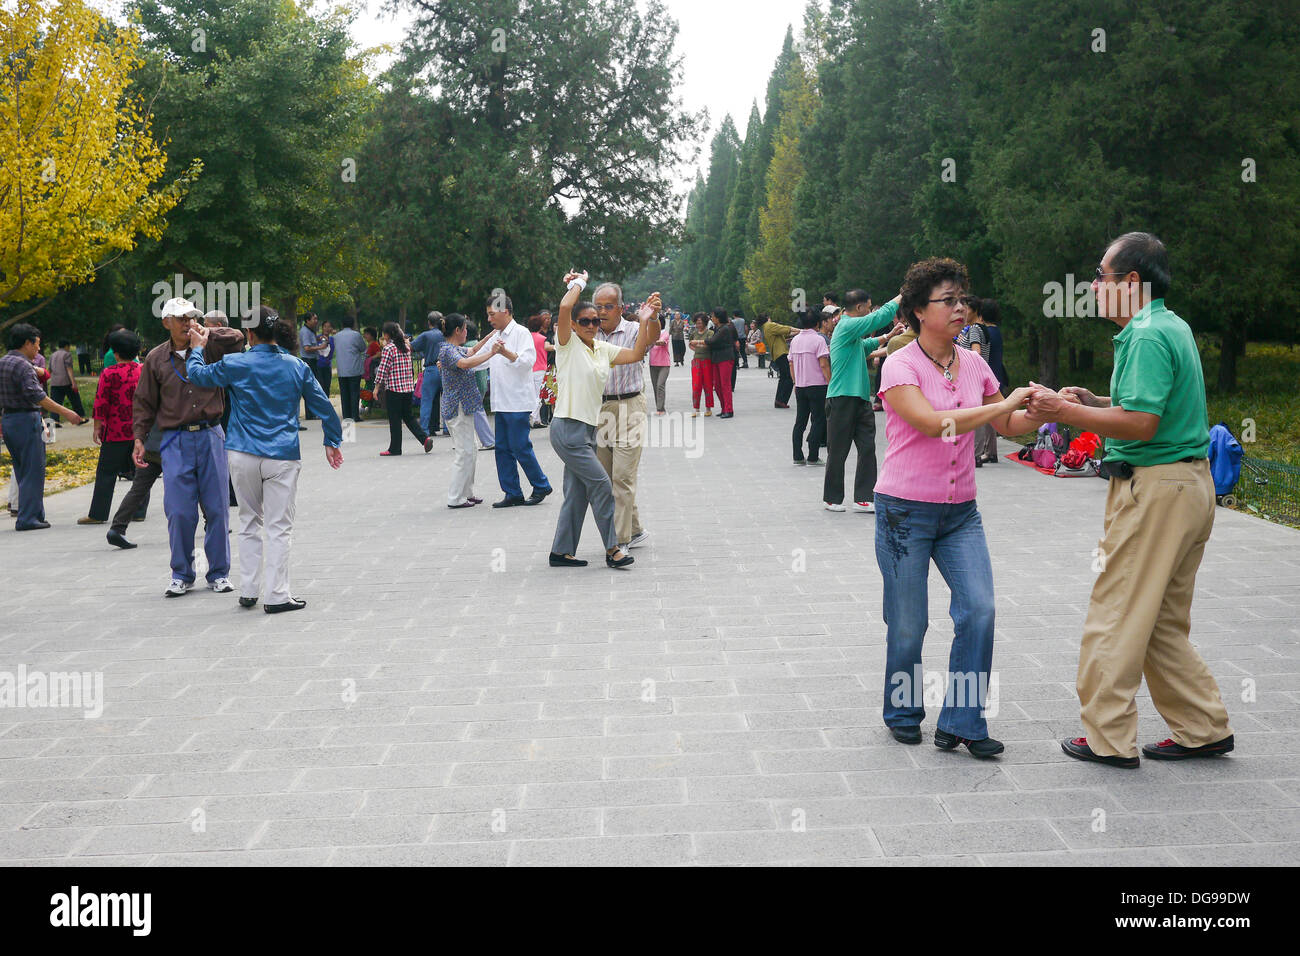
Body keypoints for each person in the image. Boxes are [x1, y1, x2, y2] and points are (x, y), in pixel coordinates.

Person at [1026, 232, 1234, 768]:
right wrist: (1095, 401)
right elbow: (1143, 408)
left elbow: (1141, 424)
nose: (1094, 285)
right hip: (1188, 488)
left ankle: (1107, 738)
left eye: (1102, 275)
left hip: (1154, 490)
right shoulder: (1168, 324)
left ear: (1132, 283)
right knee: (1162, 620)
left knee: (1117, 612)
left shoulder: (1143, 334)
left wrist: (1064, 412)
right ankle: (1202, 727)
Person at [875, 257, 1036, 756]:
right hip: (904, 510)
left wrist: (1046, 412)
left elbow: (1006, 428)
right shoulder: (900, 365)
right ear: (920, 310)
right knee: (909, 621)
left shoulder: (974, 363)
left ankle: (963, 723)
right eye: (948, 300)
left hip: (960, 511)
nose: (960, 308)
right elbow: (933, 423)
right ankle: (903, 710)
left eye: (963, 298)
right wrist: (1003, 406)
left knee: (980, 611)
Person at [185, 307, 344, 613]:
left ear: (250, 334)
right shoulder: (295, 366)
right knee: (279, 527)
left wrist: (197, 349)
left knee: (248, 521)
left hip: (242, 451)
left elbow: (198, 375)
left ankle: (248, 589)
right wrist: (332, 440)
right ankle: (277, 594)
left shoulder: (235, 363)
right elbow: (323, 405)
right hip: (282, 454)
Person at [548, 270, 660, 570]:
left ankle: (561, 552)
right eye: (585, 320)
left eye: (595, 321)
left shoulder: (601, 349)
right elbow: (563, 308)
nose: (591, 324)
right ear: (573, 325)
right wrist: (578, 283)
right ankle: (614, 549)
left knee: (577, 493)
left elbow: (637, 354)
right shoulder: (567, 345)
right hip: (567, 429)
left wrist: (646, 318)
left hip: (589, 429)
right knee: (601, 484)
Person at [133, 298, 245, 596]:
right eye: (179, 318)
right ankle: (181, 573)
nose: (186, 323)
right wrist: (139, 438)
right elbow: (144, 402)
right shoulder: (156, 358)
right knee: (180, 511)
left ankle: (219, 573)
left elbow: (238, 336)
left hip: (210, 434)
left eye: (190, 317)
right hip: (175, 439)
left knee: (218, 508)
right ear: (165, 322)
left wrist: (206, 335)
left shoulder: (211, 348)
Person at [824, 289, 907, 513]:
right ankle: (832, 498)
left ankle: (863, 497)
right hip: (842, 397)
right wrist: (900, 296)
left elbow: (864, 348)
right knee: (838, 450)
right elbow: (878, 318)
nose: (870, 311)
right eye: (869, 307)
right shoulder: (847, 325)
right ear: (860, 308)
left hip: (860, 399)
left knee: (867, 447)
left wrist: (887, 338)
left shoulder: (850, 333)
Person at [0, 324, 86, 530]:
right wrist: (67, 413)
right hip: (26, 419)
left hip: (9, 420)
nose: (38, 349)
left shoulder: (3, 362)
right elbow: (38, 397)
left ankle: (34, 514)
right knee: (34, 469)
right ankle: (28, 518)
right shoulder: (23, 366)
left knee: (22, 468)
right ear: (27, 343)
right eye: (37, 344)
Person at [470, 292, 551, 507]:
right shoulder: (497, 335)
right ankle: (512, 492)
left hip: (517, 401)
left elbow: (527, 362)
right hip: (501, 401)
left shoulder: (521, 333)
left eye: (491, 314)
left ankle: (541, 485)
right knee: (503, 449)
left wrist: (505, 352)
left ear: (504, 311)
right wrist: (458, 362)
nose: (489, 319)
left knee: (520, 446)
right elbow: (480, 361)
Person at [593, 282, 650, 549]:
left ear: (621, 308)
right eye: (599, 306)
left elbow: (650, 338)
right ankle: (635, 528)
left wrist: (652, 318)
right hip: (601, 411)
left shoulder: (634, 329)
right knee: (607, 477)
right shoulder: (589, 333)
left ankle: (621, 540)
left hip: (630, 407)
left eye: (608, 306)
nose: (602, 312)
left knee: (623, 476)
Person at [80, 330, 143, 530]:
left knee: (106, 473)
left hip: (115, 431)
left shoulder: (109, 373)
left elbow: (101, 402)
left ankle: (98, 513)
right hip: (140, 430)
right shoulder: (144, 370)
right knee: (140, 471)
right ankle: (138, 511)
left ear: (115, 353)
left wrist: (97, 427)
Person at [438, 314, 494, 508]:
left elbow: (471, 351)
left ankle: (466, 492)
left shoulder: (454, 348)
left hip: (465, 407)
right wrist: (491, 353)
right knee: (464, 453)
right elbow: (466, 363)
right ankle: (455, 497)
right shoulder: (447, 351)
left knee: (472, 451)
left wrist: (490, 336)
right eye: (465, 329)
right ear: (457, 331)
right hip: (457, 408)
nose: (467, 332)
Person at [373, 321, 434, 456]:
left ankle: (395, 448)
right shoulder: (406, 348)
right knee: (408, 417)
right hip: (407, 389)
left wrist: (376, 387)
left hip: (394, 390)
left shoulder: (389, 349)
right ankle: (425, 439)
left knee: (395, 419)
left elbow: (383, 370)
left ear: (387, 335)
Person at [789, 311, 832, 466]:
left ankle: (797, 456)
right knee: (818, 420)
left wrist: (795, 381)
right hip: (818, 386)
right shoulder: (818, 340)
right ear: (817, 324)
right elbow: (823, 364)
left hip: (800, 386)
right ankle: (813, 456)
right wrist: (831, 382)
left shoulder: (795, 340)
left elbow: (791, 363)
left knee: (800, 422)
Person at [411, 312, 446, 436]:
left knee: (426, 401)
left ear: (429, 322)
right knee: (447, 399)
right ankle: (447, 428)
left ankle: (425, 429)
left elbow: (412, 347)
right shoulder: (446, 334)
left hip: (431, 369)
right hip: (445, 369)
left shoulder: (426, 335)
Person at [704, 308, 738, 418]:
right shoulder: (717, 328)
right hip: (716, 358)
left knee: (725, 385)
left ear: (718, 318)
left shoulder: (725, 329)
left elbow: (713, 341)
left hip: (725, 358)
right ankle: (724, 408)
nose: (712, 318)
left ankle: (729, 409)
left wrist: (700, 341)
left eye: (713, 316)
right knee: (717, 385)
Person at [761, 313, 799, 407]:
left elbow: (786, 333)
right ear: (767, 318)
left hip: (777, 354)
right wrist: (802, 330)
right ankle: (782, 400)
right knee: (789, 377)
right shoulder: (770, 325)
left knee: (783, 377)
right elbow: (786, 328)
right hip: (781, 353)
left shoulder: (766, 328)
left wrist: (800, 332)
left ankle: (779, 400)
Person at [334, 315, 366, 423]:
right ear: (353, 324)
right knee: (354, 392)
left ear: (342, 325)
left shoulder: (336, 336)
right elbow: (363, 348)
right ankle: (355, 415)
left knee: (344, 393)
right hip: (354, 368)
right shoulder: (356, 335)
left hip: (341, 369)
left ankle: (346, 415)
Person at [48, 341, 86, 424]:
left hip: (55, 382)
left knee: (55, 402)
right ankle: (80, 417)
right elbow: (69, 368)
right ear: (66, 346)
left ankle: (55, 420)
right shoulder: (67, 354)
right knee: (75, 400)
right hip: (66, 381)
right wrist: (73, 382)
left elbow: (49, 369)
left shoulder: (52, 355)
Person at [687, 313, 714, 417]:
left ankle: (708, 408)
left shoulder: (710, 333)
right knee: (696, 385)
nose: (698, 325)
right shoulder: (694, 333)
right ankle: (696, 408)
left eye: (700, 323)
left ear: (705, 323)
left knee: (708, 384)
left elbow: (709, 344)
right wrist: (699, 347)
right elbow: (690, 344)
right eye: (696, 323)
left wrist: (697, 343)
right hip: (696, 361)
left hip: (707, 360)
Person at [298, 313, 323, 419]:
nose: (316, 321)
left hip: (313, 361)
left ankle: (312, 413)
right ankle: (310, 414)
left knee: (313, 387)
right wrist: (320, 347)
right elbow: (307, 348)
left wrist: (317, 340)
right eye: (314, 319)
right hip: (309, 361)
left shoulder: (310, 331)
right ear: (307, 320)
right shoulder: (305, 332)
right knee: (310, 388)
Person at [527, 314, 549, 427]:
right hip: (541, 368)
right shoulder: (543, 339)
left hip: (530, 369)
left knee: (532, 394)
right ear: (540, 326)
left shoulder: (527, 338)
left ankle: (536, 420)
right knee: (539, 396)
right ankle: (532, 414)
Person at [648, 322, 671, 415]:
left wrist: (651, 341)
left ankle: (660, 409)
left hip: (664, 364)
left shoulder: (665, 333)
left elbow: (661, 342)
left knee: (660, 385)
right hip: (652, 363)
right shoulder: (650, 333)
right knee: (655, 386)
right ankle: (660, 407)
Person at [314, 320, 334, 401]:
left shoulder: (332, 339)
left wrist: (328, 341)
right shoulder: (317, 338)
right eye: (325, 326)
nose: (327, 328)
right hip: (318, 366)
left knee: (327, 387)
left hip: (327, 366)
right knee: (320, 387)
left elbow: (331, 352)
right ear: (322, 328)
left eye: (329, 326)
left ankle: (326, 406)